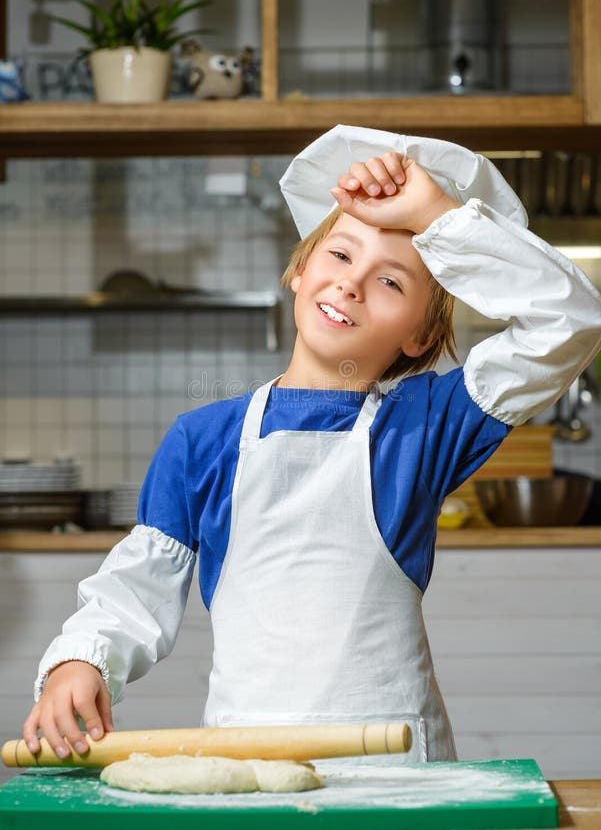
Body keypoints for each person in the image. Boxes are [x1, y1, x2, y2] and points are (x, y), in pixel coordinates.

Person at [23, 125, 601, 764]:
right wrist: (81, 661)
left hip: (393, 772)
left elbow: (569, 321)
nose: (352, 285)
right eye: (342, 255)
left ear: (420, 335)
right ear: (300, 270)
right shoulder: (201, 440)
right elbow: (138, 585)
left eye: (392, 283)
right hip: (248, 762)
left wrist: (435, 215)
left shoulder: (422, 425)